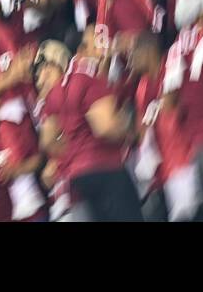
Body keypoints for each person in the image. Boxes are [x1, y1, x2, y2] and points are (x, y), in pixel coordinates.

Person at [38, 25, 142, 221]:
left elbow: (48, 140)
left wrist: (73, 154)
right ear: (82, 51)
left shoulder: (56, 90)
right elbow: (106, 127)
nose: (104, 49)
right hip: (105, 168)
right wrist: (133, 132)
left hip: (78, 178)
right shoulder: (88, 77)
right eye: (97, 44)